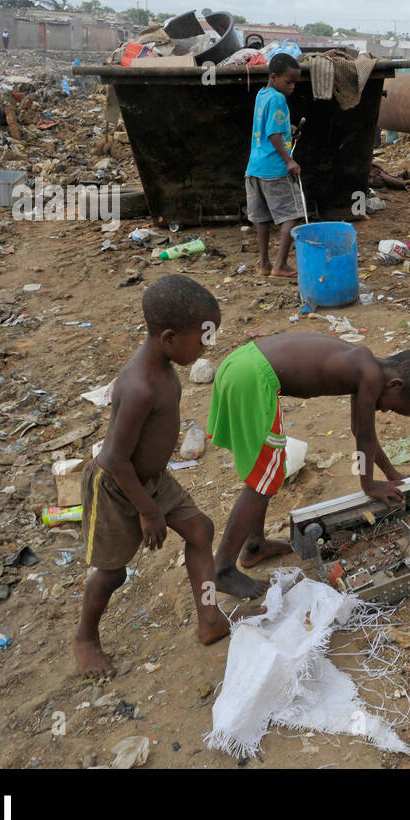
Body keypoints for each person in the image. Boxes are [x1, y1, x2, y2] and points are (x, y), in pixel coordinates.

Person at [74, 275, 256, 679]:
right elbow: (114, 458)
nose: (207, 345)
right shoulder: (139, 385)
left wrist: (154, 497)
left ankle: (209, 620)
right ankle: (86, 637)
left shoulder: (166, 364)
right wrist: (149, 512)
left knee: (200, 531)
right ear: (170, 337)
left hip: (153, 479)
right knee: (112, 572)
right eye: (202, 338)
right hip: (119, 488)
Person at [206, 335, 410, 598]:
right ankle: (222, 569)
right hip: (251, 377)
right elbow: (364, 436)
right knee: (263, 478)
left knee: (268, 471)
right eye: (392, 409)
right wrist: (369, 484)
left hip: (241, 363)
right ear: (396, 384)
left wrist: (391, 473)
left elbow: (359, 429)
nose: (384, 413)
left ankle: (255, 544)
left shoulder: (365, 366)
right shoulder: (370, 377)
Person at [246, 52, 305, 277]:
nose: (292, 87)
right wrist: (289, 160)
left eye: (294, 83)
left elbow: (268, 126)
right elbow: (272, 133)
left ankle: (264, 265)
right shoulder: (279, 99)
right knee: (292, 214)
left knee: (262, 218)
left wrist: (289, 130)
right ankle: (280, 265)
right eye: (288, 82)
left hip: (254, 169)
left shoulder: (262, 94)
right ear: (274, 76)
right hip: (274, 169)